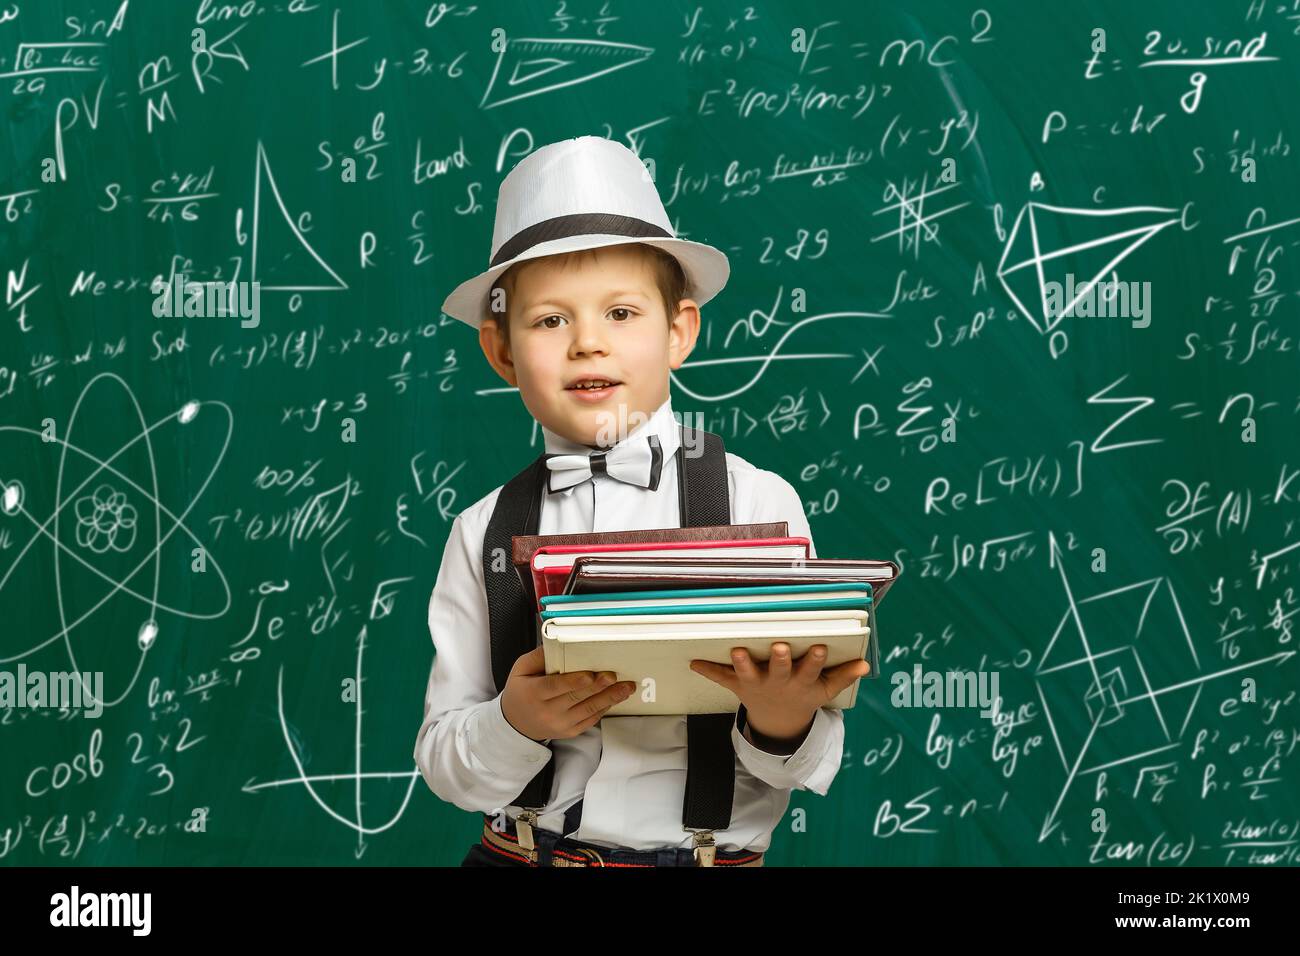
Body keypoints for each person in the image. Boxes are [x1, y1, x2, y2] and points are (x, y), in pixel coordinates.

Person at [415, 135, 869, 867]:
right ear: (501, 353)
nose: (588, 343)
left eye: (621, 313)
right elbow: (444, 761)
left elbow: (803, 768)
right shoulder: (482, 531)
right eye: (549, 320)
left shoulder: (757, 501)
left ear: (679, 331)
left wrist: (782, 720)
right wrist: (513, 721)